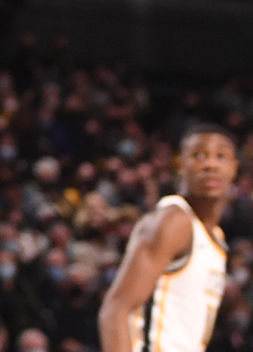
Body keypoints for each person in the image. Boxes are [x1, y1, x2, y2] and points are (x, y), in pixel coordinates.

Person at [98, 126, 239, 352]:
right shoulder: (174, 221)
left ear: (234, 168)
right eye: (199, 155)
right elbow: (116, 309)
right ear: (180, 165)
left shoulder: (216, 238)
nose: (211, 165)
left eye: (221, 156)